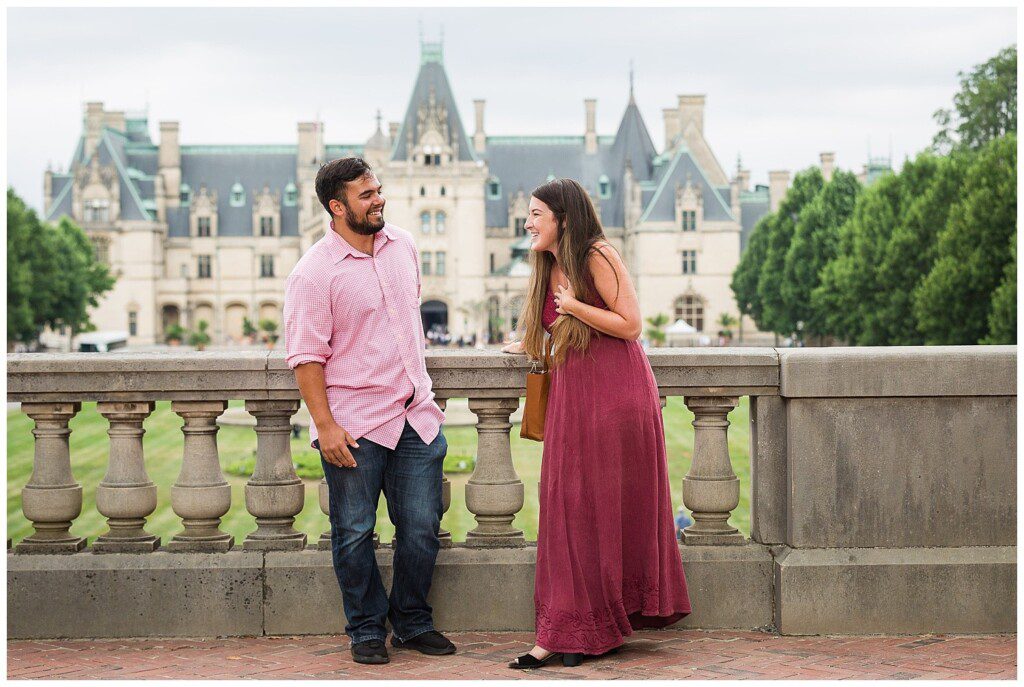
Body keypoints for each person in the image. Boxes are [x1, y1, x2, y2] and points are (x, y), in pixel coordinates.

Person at [502, 178, 691, 669]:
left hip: (615, 394)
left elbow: (630, 325)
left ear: (563, 218)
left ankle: (588, 631)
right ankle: (569, 631)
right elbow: (556, 331)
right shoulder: (548, 263)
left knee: (594, 508)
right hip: (575, 394)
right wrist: (528, 342)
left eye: (537, 214)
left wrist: (575, 306)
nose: (528, 222)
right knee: (569, 507)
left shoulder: (597, 254)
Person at [283, 157, 454, 665]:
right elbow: (306, 356)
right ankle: (364, 629)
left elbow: (406, 318)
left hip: (415, 416)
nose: (378, 199)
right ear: (336, 207)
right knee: (354, 533)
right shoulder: (313, 273)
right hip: (355, 424)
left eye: (378, 190)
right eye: (365, 195)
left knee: (422, 528)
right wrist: (325, 425)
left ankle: (412, 621)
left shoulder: (404, 246)